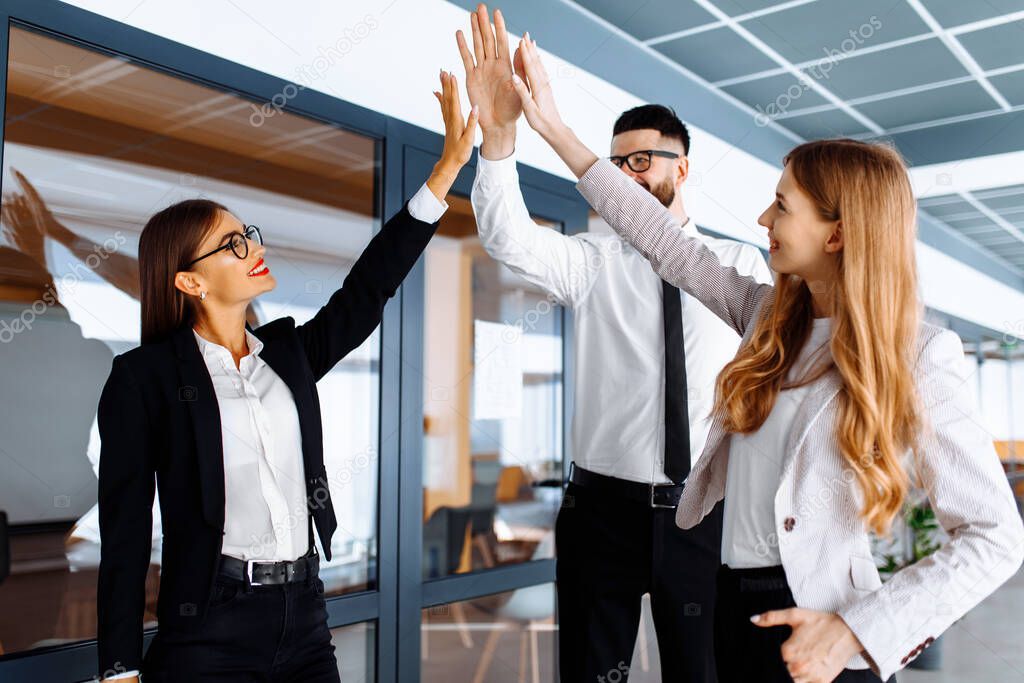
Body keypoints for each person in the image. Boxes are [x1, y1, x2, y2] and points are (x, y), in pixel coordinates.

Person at [503, 30, 1024, 683]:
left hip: (819, 629)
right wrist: (549, 124)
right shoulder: (766, 318)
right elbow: (662, 240)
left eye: (781, 205)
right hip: (727, 607)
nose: (762, 218)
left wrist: (859, 630)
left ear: (837, 233)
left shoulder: (919, 353)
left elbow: (995, 535)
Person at [95, 71, 478, 682]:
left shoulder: (289, 356)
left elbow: (368, 289)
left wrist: (444, 173)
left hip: (303, 611)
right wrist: (118, 669)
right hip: (209, 627)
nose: (252, 247)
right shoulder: (144, 379)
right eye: (231, 245)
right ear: (190, 282)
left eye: (247, 234)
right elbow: (126, 532)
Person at [456, 6, 772, 681]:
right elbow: (508, 237)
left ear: (681, 169)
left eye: (639, 161)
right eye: (615, 163)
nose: (623, 177)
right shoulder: (593, 259)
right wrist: (502, 138)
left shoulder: (740, 268)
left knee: (704, 670)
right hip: (602, 513)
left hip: (704, 514)